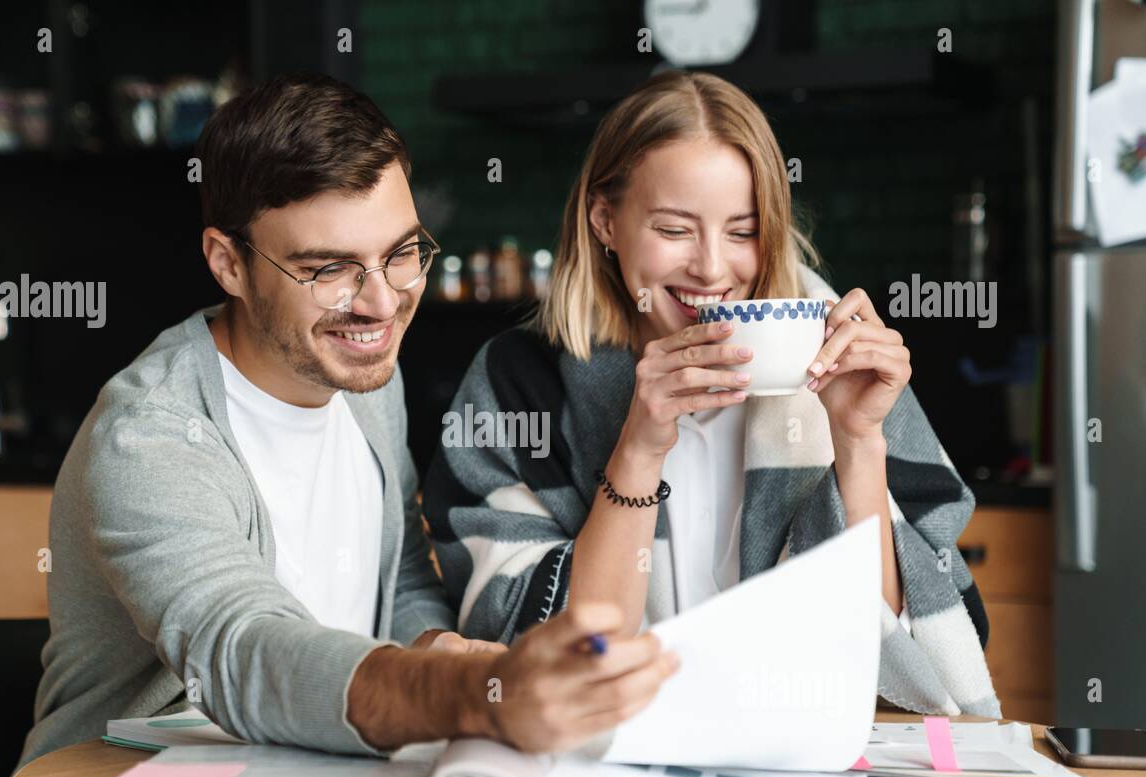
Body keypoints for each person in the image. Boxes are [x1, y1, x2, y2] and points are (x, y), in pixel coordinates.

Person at [0, 73, 677, 777]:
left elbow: (399, 579)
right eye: (328, 268)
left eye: (402, 254)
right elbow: (248, 652)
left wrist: (445, 648)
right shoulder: (150, 438)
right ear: (229, 263)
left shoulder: (358, 371)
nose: (380, 305)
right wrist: (469, 697)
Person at [423, 71, 1000, 719]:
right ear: (605, 220)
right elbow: (537, 662)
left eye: (742, 230)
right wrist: (638, 448)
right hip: (615, 762)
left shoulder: (837, 351)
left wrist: (858, 442)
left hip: (812, 753)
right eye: (674, 230)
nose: (712, 268)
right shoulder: (518, 380)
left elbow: (908, 659)